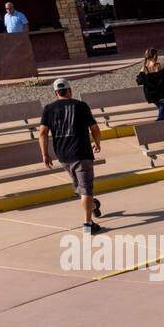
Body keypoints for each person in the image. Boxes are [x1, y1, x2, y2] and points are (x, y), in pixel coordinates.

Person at [39, 77, 104, 235]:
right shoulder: (80, 106)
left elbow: (42, 133)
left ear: (56, 93)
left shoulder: (48, 109)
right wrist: (97, 142)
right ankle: (88, 224)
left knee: (80, 189)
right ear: (69, 91)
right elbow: (94, 128)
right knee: (85, 190)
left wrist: (45, 154)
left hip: (63, 156)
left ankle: (92, 206)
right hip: (82, 153)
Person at [135, 47, 164, 121]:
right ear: (156, 56)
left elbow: (139, 81)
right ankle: (160, 124)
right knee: (161, 117)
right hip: (163, 94)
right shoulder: (162, 67)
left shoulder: (143, 70)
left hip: (152, 96)